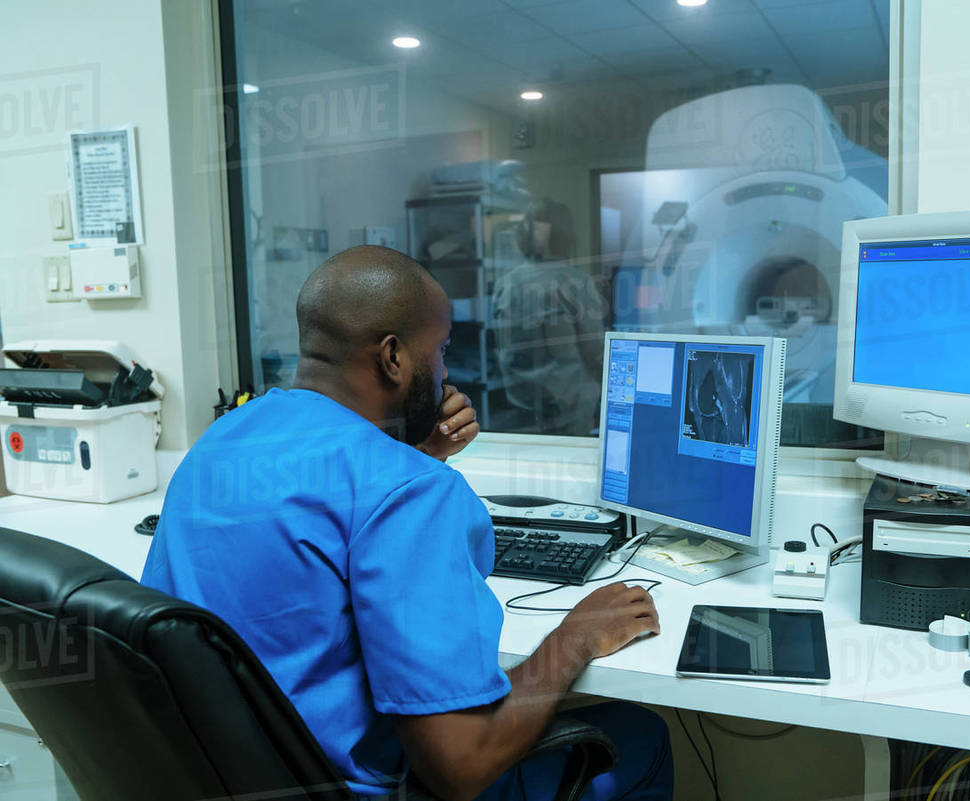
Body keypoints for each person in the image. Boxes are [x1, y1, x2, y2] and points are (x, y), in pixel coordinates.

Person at [141, 246, 672, 801]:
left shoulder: (223, 438)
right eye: (440, 351)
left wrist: (410, 453)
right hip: (365, 789)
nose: (445, 373)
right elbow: (461, 765)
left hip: (228, 776)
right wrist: (575, 638)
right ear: (393, 357)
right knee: (643, 736)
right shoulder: (410, 491)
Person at [493, 199, 606, 436]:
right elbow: (595, 352)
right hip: (569, 408)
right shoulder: (577, 283)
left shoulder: (506, 284)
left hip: (522, 405)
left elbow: (504, 351)